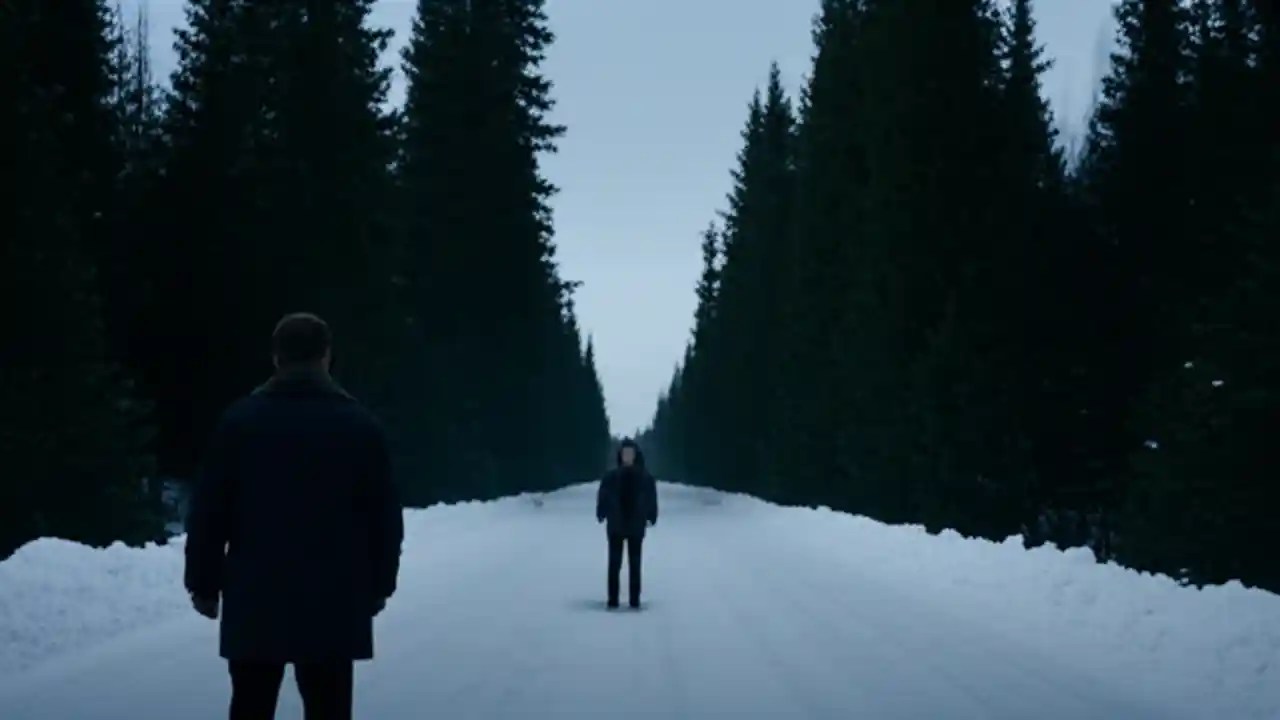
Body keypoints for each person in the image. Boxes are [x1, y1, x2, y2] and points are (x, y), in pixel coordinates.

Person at [184, 313, 404, 720]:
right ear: (326, 356)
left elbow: (210, 512)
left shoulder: (239, 422)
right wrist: (379, 584)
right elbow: (384, 517)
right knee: (329, 707)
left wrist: (203, 583)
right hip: (334, 596)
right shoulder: (358, 425)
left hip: (256, 593)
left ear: (276, 358)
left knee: (250, 704)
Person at [595, 438, 658, 609]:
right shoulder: (611, 477)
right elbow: (603, 495)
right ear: (620, 456)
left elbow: (651, 498)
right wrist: (601, 512)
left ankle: (634, 599)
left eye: (630, 453)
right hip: (616, 524)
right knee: (614, 563)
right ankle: (613, 598)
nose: (627, 456)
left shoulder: (645, 478)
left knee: (635, 563)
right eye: (625, 453)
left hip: (636, 525)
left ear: (635, 455)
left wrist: (652, 515)